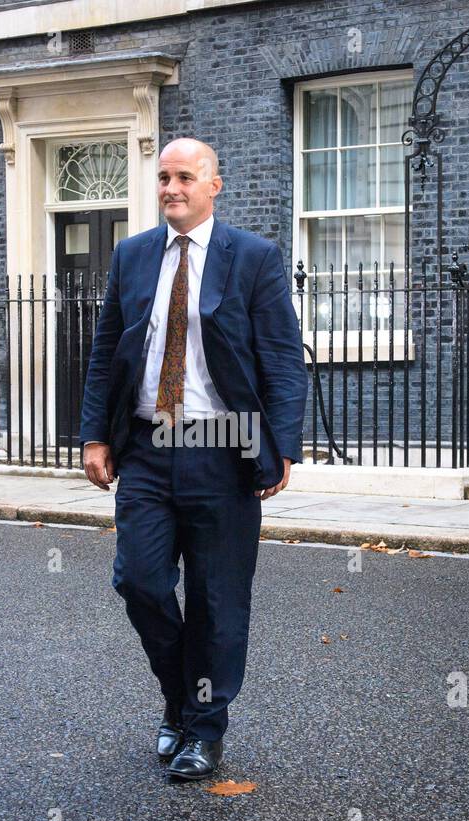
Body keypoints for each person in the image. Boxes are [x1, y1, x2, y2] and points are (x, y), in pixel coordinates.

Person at [78, 137, 307, 780]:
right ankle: (178, 701)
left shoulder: (254, 258)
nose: (171, 187)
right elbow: (105, 354)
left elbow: (283, 358)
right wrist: (96, 436)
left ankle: (203, 727)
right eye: (163, 177)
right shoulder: (133, 256)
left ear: (214, 185)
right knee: (140, 580)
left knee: (216, 600)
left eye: (185, 176)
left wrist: (281, 445)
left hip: (224, 445)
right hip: (148, 446)